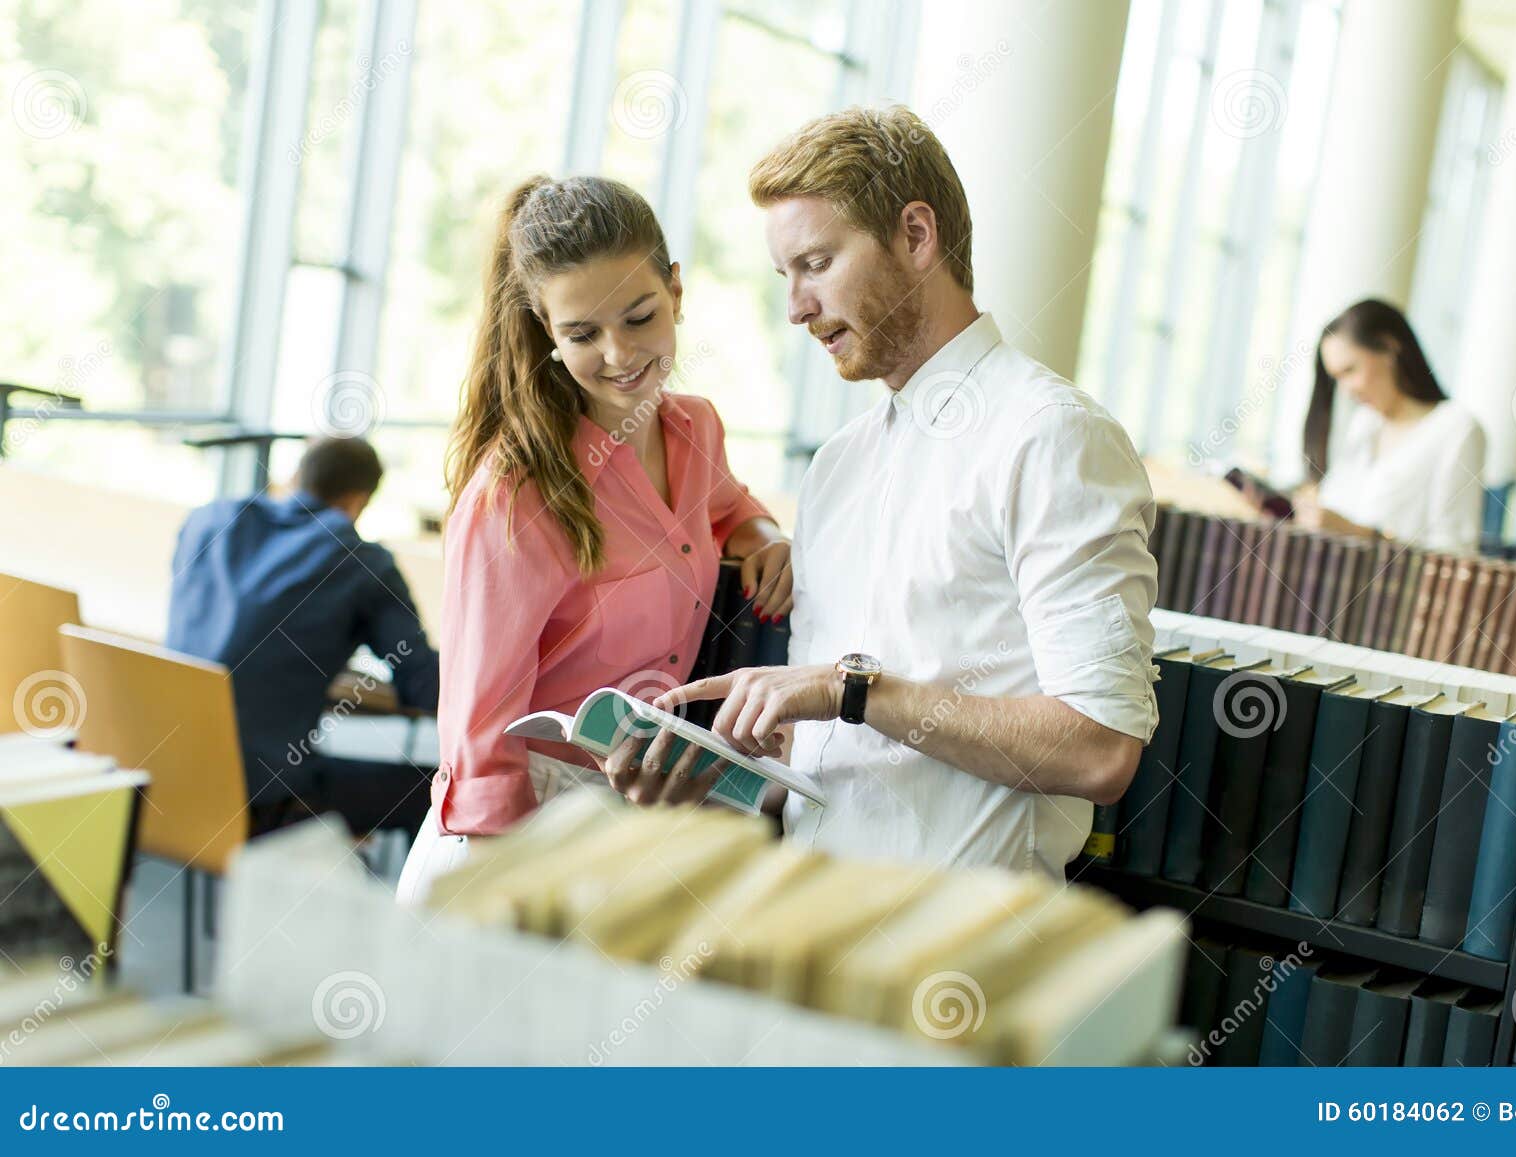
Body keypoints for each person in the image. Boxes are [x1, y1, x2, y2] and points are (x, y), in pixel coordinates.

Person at [658, 106, 1159, 878]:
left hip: (966, 961)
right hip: (807, 925)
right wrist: (710, 776)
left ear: (917, 236)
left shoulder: (1053, 436)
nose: (795, 307)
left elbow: (1098, 748)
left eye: (816, 263)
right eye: (785, 275)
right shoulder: (836, 467)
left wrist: (850, 691)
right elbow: (827, 751)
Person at [396, 175, 791, 902]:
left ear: (677, 291)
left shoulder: (695, 427)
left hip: (630, 822)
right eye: (582, 334)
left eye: (640, 317)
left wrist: (763, 532)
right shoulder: (517, 490)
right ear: (547, 330)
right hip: (519, 831)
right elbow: (480, 727)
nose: (619, 354)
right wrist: (503, 883)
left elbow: (729, 506)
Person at [166, 435, 440, 836]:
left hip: (163, 768)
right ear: (358, 501)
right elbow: (424, 686)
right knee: (433, 790)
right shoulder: (362, 562)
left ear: (297, 476)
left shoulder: (207, 520)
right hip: (256, 797)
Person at [1295, 298, 1486, 552]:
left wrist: (1363, 535)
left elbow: (1456, 553)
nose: (1346, 390)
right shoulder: (1364, 424)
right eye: (1337, 378)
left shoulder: (1456, 428)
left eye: (1350, 370)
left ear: (1389, 348)